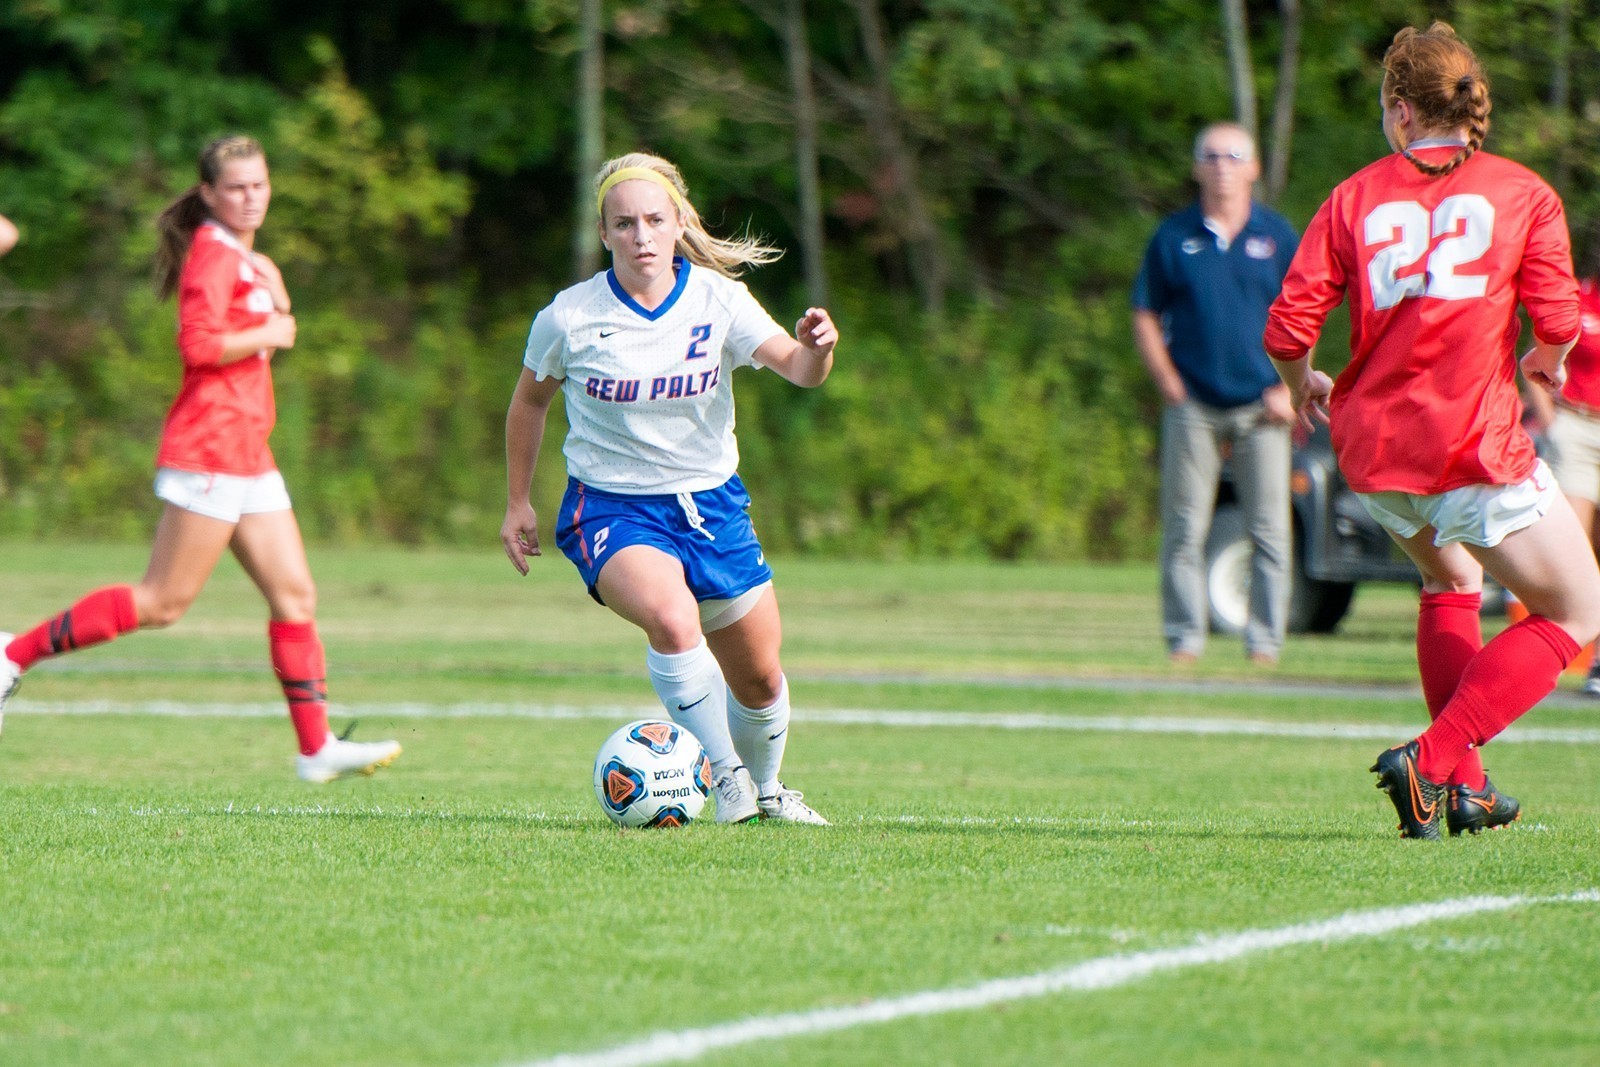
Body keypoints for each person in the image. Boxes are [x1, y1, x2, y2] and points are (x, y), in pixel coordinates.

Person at [1264, 21, 1600, 839]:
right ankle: (1434, 754)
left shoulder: (1352, 196)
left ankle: (1462, 791)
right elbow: (1558, 318)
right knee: (1582, 610)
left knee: (1447, 585)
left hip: (1375, 452)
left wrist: (1301, 382)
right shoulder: (1522, 192)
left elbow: (1286, 329)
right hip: (1468, 445)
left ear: (1401, 112)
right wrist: (1546, 362)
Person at [0, 136, 402, 784]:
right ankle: (13, 653)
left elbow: (262, 331)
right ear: (210, 194)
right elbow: (198, 345)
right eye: (238, 187)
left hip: (249, 450)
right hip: (210, 447)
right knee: (162, 601)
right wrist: (271, 329)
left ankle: (315, 747)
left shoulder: (243, 258)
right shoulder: (212, 256)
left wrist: (277, 298)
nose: (252, 197)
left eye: (260, 185)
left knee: (295, 595)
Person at [501, 152, 837, 825]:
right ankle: (727, 778)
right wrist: (517, 501)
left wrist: (819, 346)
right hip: (613, 507)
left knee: (761, 678)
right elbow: (529, 404)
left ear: (680, 221)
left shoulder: (720, 300)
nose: (642, 236)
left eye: (655, 219)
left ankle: (768, 791)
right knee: (673, 619)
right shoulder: (569, 317)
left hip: (711, 505)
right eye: (624, 224)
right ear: (604, 233)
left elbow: (800, 370)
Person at [1131, 122, 1300, 667]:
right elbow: (1145, 312)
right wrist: (1168, 381)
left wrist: (1289, 386)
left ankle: (1265, 642)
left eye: (1234, 156)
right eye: (1212, 156)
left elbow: (1305, 315)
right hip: (1195, 405)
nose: (1223, 165)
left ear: (1253, 168)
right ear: (1198, 167)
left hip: (1262, 405)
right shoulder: (1174, 235)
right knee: (1185, 525)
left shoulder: (1276, 237)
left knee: (1270, 527)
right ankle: (1185, 636)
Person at [1521, 272, 1600, 696]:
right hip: (1578, 428)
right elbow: (1536, 355)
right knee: (1575, 549)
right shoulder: (1578, 297)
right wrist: (1551, 424)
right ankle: (1554, 657)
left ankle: (1599, 665)